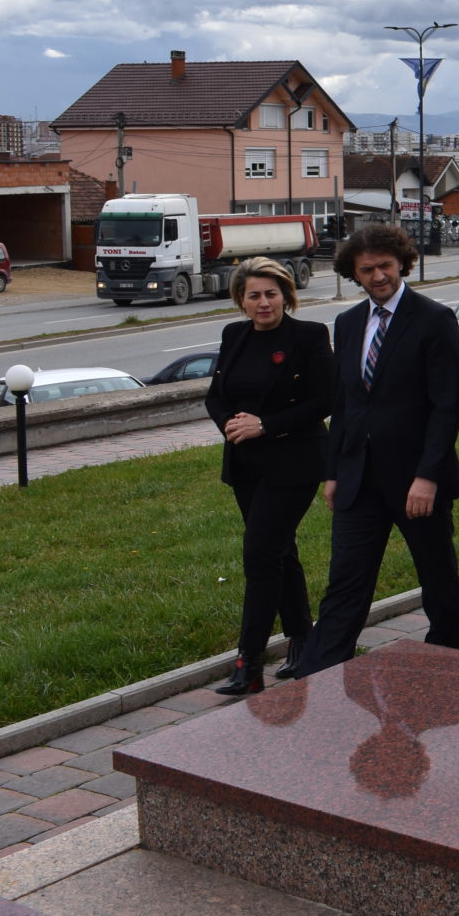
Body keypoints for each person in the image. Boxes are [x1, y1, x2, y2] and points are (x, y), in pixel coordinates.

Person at [291, 226, 459, 678]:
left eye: (385, 266)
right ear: (354, 273)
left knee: (437, 577)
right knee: (345, 581)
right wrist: (333, 471)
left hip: (416, 481)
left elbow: (446, 408)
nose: (378, 276)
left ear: (401, 263)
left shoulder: (434, 319)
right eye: (367, 269)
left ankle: (445, 662)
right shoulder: (348, 324)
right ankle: (320, 672)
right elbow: (346, 404)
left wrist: (428, 477)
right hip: (358, 479)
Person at [204, 257, 330, 696]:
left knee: (259, 556)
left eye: (271, 293)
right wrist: (230, 424)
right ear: (241, 299)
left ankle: (249, 662)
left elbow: (324, 401)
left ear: (286, 295)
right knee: (280, 552)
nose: (263, 303)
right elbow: (215, 396)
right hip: (245, 465)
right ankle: (303, 640)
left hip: (294, 462)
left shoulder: (310, 337)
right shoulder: (234, 336)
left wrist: (265, 424)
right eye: (254, 295)